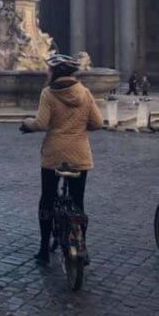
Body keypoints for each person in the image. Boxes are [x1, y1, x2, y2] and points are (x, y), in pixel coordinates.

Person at [19, 54, 103, 265]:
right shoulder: (85, 93)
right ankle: (81, 246)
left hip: (54, 154)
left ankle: (43, 250)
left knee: (47, 199)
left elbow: (41, 123)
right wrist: (80, 126)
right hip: (79, 154)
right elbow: (97, 123)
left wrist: (27, 124)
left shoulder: (48, 94)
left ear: (54, 73)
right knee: (77, 202)